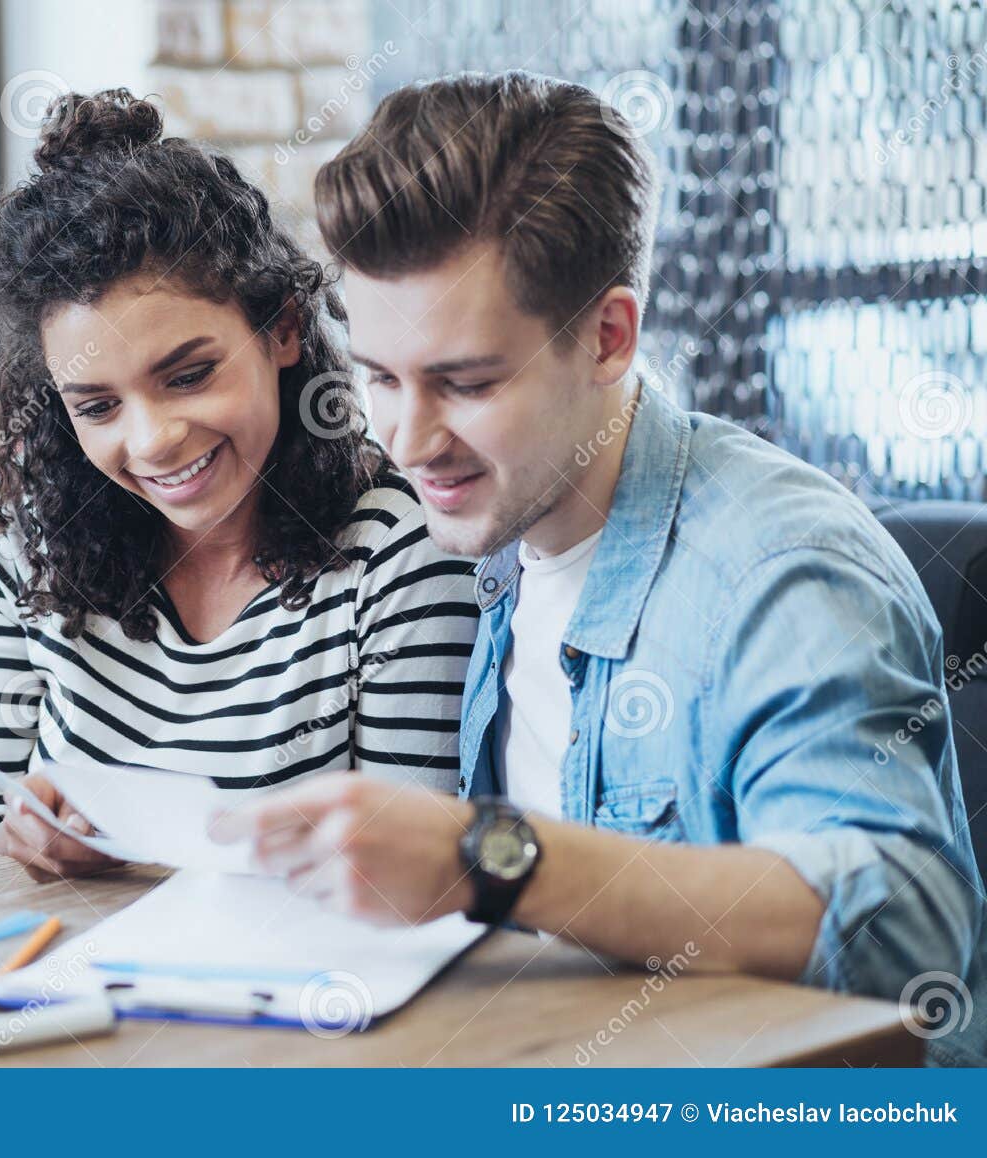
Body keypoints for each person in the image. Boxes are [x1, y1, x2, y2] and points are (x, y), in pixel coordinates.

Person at [205, 71, 986, 1066]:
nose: (408, 439)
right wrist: (11, 526)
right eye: (380, 377)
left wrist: (486, 860)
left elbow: (899, 927)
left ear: (609, 337)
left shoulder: (782, 571)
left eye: (468, 383)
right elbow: (217, 483)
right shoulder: (490, 509)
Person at [0, 90, 478, 881]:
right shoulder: (13, 531)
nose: (151, 440)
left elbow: (411, 878)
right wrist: (21, 845)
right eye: (98, 406)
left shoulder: (398, 554)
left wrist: (143, 867)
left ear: (282, 329)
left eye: (188, 375)